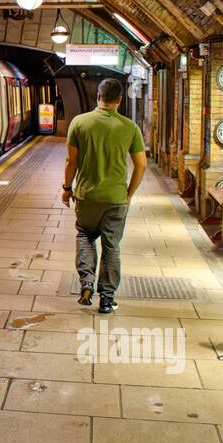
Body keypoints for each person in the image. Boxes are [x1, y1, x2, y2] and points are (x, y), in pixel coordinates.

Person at [62, 78, 147, 313]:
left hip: (87, 197)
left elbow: (71, 161)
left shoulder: (79, 123)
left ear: (98, 97)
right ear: (119, 100)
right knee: (112, 246)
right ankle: (107, 299)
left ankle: (87, 281)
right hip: (116, 199)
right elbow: (141, 165)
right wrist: (128, 194)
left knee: (85, 235)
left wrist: (67, 188)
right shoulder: (129, 127)